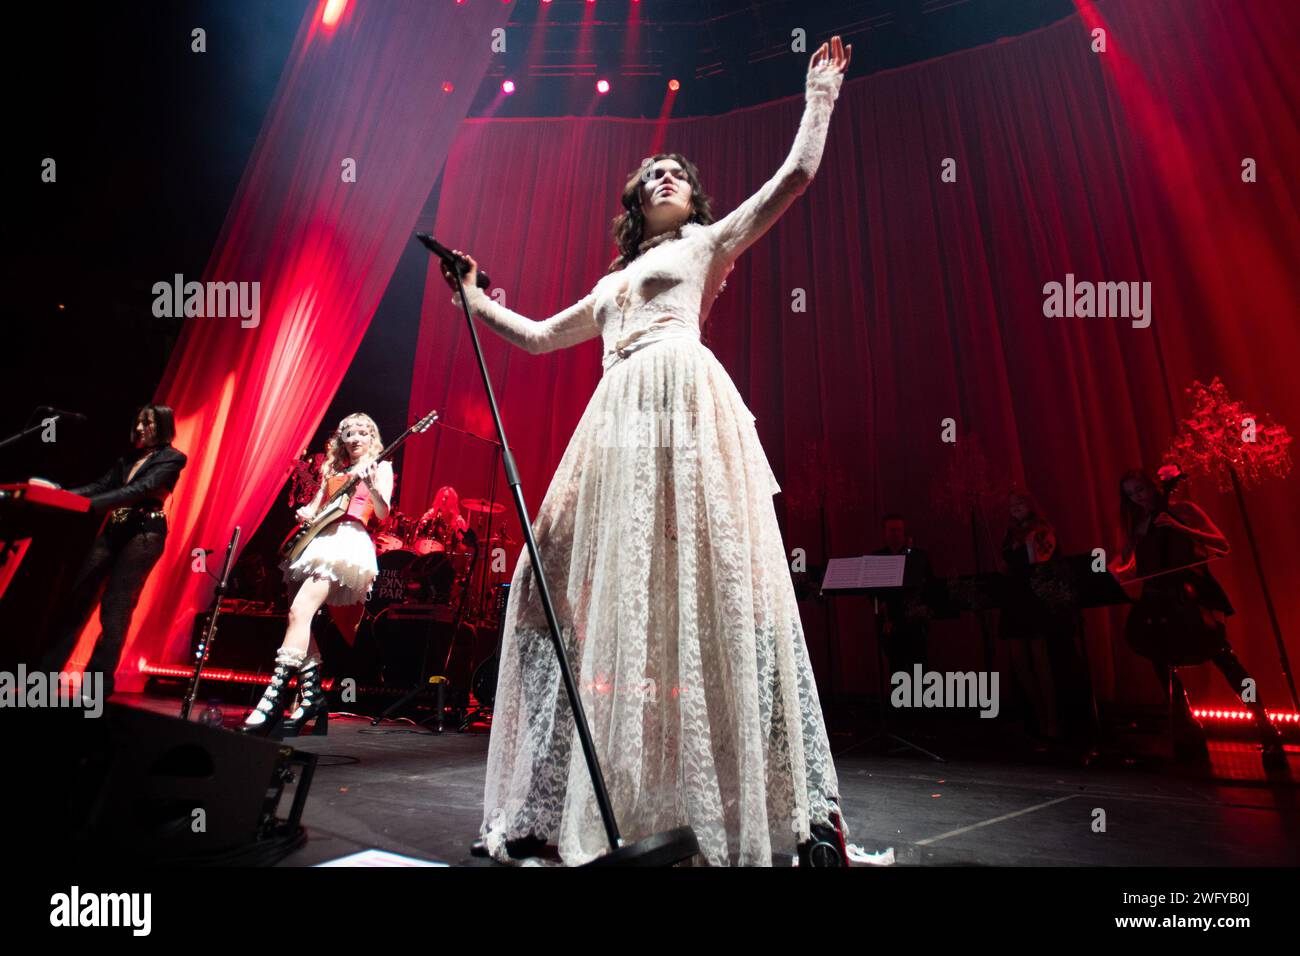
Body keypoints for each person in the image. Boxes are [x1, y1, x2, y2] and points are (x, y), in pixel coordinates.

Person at [441, 38, 853, 866]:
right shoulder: (611, 284)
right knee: (539, 585)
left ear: (695, 199)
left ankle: (806, 814)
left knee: (733, 595)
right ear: (635, 199)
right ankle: (543, 803)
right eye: (653, 172)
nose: (666, 175)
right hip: (616, 418)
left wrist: (819, 97)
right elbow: (539, 337)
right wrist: (474, 297)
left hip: (684, 404)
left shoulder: (706, 245)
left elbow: (794, 180)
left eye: (678, 172)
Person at [1110, 467, 1285, 768]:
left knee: (1225, 659)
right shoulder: (1139, 524)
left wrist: (1181, 529)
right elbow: (1125, 563)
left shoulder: (1184, 510)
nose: (1137, 498)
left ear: (1153, 486)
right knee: (1159, 660)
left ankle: (1265, 724)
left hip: (1194, 595)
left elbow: (1222, 544)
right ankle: (1187, 725)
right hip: (1157, 601)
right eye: (1130, 495)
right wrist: (1104, 572)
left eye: (1139, 490)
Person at [240, 413, 393, 737]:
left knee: (299, 611)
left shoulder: (381, 467)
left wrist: (372, 486)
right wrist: (306, 512)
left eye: (361, 432)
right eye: (348, 433)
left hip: (348, 544)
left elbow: (383, 513)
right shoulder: (332, 470)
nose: (354, 439)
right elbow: (315, 507)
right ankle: (311, 697)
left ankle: (274, 696)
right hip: (317, 542)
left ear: (372, 436)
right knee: (297, 618)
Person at [40, 405, 186, 698]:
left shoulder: (173, 458)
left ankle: (97, 685)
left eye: (149, 423)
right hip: (115, 528)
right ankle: (44, 676)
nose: (141, 428)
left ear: (163, 426)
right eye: (139, 422)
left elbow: (139, 490)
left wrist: (88, 505)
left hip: (143, 534)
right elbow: (101, 485)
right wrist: (62, 496)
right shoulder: (127, 459)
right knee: (78, 598)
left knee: (115, 607)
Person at [998, 489, 1094, 753]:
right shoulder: (1009, 533)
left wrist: (1030, 543)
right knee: (1020, 663)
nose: (1015, 507)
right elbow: (1007, 566)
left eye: (1019, 503)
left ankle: (1052, 724)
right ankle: (1038, 718)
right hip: (1015, 599)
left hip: (1036, 599)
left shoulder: (1042, 528)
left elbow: (1040, 561)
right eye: (1011, 504)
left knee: (1042, 663)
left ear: (1030, 505)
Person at [871, 513, 934, 681]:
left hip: (914, 621)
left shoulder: (918, 555)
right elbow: (872, 592)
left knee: (919, 668)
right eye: (892, 530)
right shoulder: (877, 557)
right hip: (890, 621)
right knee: (896, 668)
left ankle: (921, 705)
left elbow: (929, 584)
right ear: (884, 533)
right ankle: (900, 705)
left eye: (899, 530)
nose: (896, 534)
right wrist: (879, 606)